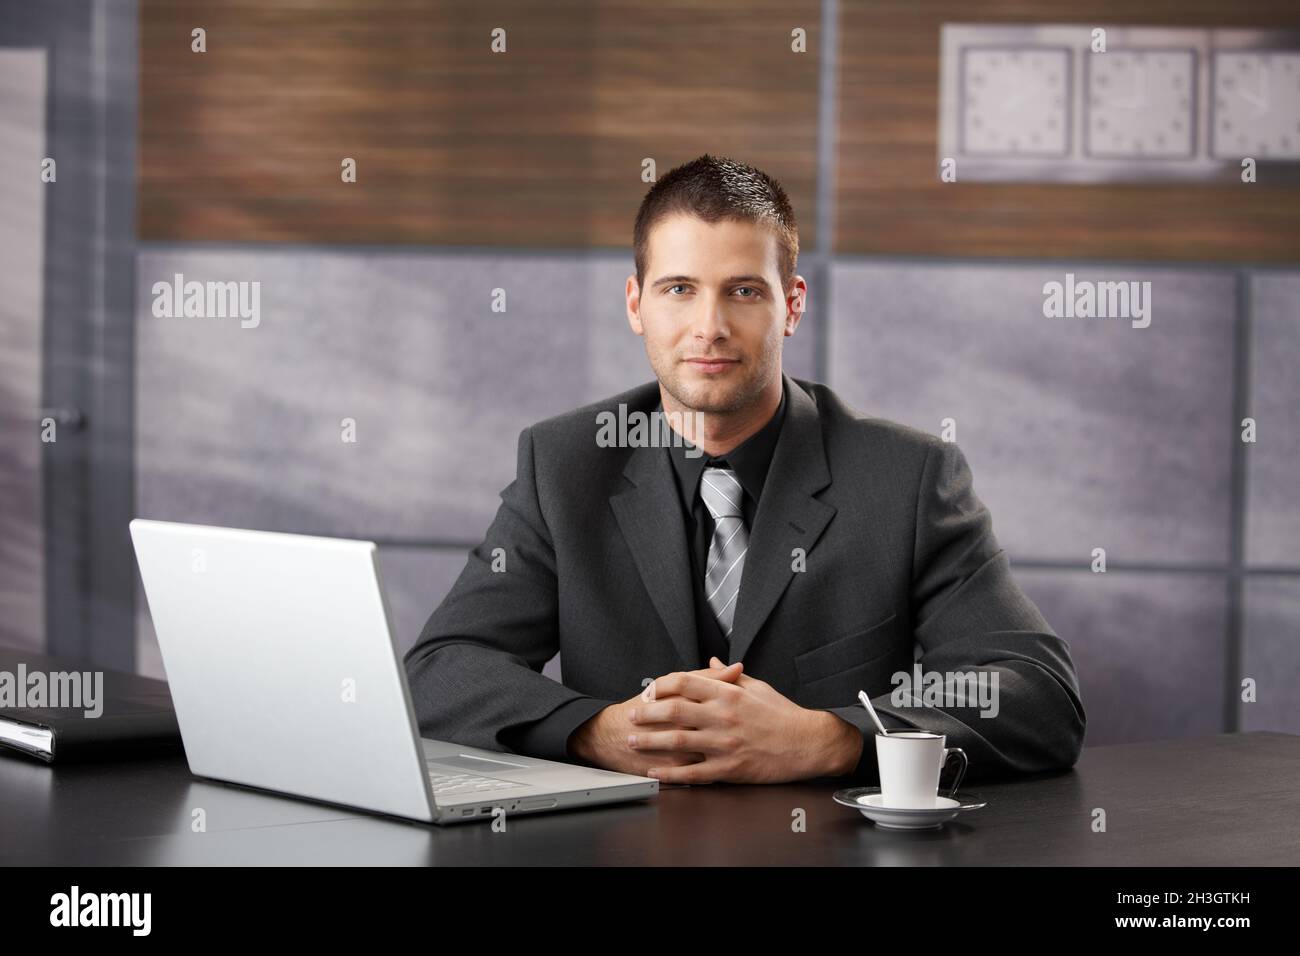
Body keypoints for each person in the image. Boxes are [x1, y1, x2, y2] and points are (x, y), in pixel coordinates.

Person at [404, 154, 1085, 785]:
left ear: (791, 304)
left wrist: (830, 740)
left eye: (742, 292)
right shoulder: (564, 465)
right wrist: (597, 732)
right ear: (636, 304)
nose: (709, 326)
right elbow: (441, 671)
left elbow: (1039, 696)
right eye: (679, 289)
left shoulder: (908, 478)